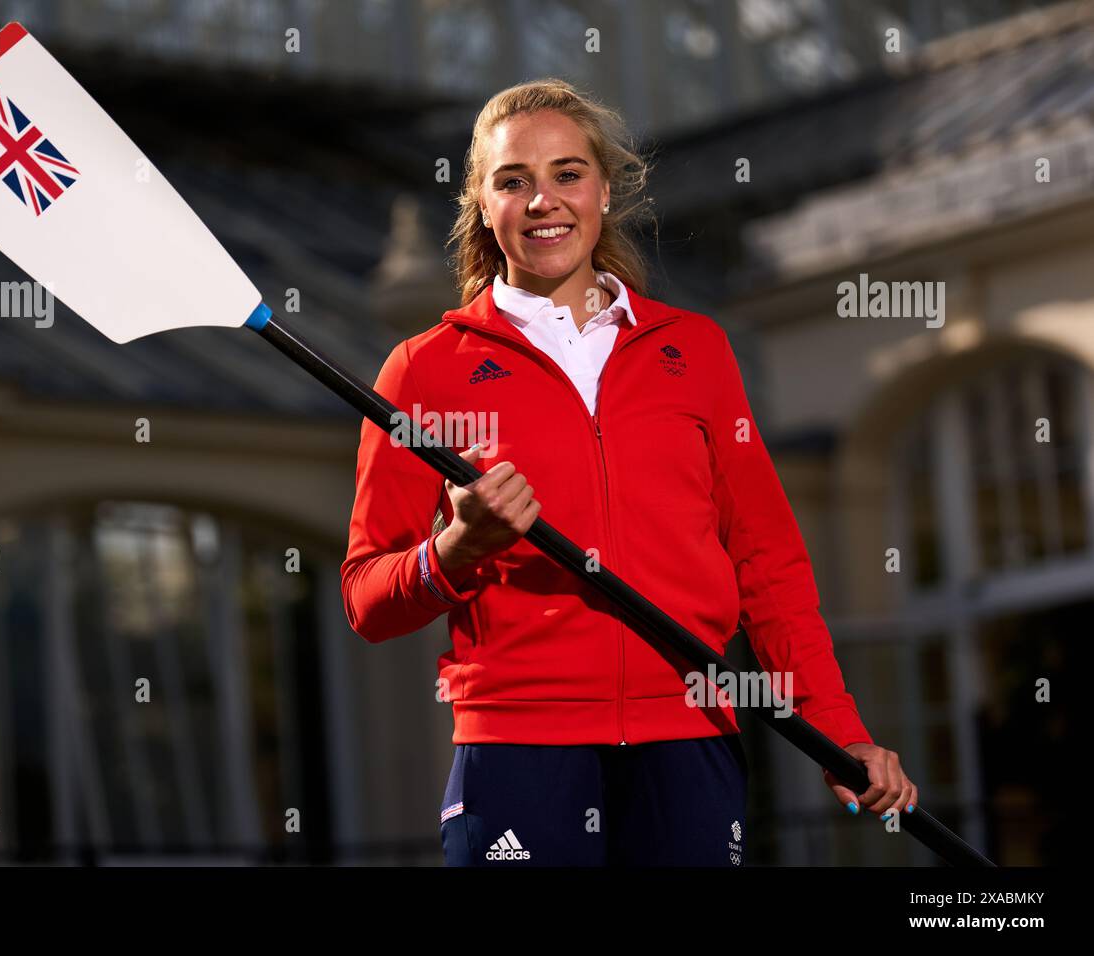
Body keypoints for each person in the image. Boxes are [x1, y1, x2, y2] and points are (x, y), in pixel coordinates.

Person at [339, 78, 917, 866]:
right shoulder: (423, 371)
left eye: (567, 174)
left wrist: (838, 732)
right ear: (481, 204)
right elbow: (366, 596)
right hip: (518, 749)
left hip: (689, 740)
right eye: (514, 181)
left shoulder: (697, 351)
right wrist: (452, 555)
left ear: (604, 191)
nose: (543, 200)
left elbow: (768, 564)